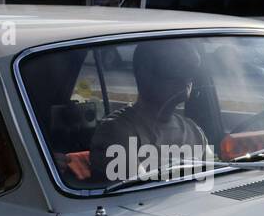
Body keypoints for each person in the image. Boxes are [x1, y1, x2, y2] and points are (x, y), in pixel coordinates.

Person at [89, 42, 212, 183]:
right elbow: (138, 194)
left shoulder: (193, 130)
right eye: (175, 70)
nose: (186, 79)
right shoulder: (116, 131)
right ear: (144, 75)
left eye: (190, 73)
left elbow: (212, 181)